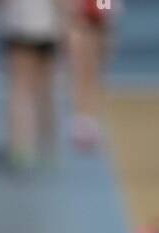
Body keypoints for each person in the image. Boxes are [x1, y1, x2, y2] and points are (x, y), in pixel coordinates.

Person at [0, 0, 64, 170]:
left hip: (26, 23)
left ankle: (25, 146)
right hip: (37, 24)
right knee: (38, 89)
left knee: (25, 88)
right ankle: (37, 144)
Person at [63, 0, 117, 152]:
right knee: (79, 68)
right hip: (77, 17)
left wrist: (104, 11)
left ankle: (92, 118)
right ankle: (80, 119)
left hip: (101, 17)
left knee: (95, 69)